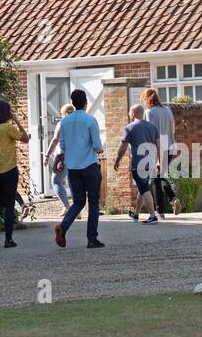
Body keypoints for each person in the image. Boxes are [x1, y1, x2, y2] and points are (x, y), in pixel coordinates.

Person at [54, 89, 104, 249]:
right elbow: (97, 146)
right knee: (94, 201)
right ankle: (92, 238)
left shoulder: (65, 122)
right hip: (89, 165)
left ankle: (63, 226)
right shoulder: (90, 120)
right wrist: (99, 150)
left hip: (73, 167)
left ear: (73, 103)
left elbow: (62, 145)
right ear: (85, 102)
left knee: (78, 202)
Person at [0, 99, 29, 248]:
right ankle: (8, 240)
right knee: (9, 204)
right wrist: (16, 120)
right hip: (8, 169)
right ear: (6, 113)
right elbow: (25, 138)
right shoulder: (7, 127)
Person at [114, 103, 161, 224]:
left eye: (130, 112)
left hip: (138, 163)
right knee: (142, 187)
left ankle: (152, 216)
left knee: (144, 189)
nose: (129, 114)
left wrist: (117, 160)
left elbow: (123, 146)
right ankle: (136, 214)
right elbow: (159, 145)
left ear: (133, 113)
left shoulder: (130, 127)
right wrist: (159, 161)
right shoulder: (152, 127)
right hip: (150, 162)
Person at [142, 88, 184, 216]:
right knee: (161, 176)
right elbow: (172, 130)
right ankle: (173, 200)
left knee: (156, 178)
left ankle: (160, 210)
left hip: (156, 148)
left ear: (146, 99)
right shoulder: (167, 110)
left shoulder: (149, 112)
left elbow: (151, 133)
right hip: (170, 147)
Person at [44, 104, 76, 210]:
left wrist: (47, 155)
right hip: (76, 156)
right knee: (72, 183)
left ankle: (66, 206)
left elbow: (55, 140)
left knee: (56, 181)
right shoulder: (77, 124)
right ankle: (76, 209)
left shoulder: (62, 123)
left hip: (63, 156)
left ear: (64, 113)